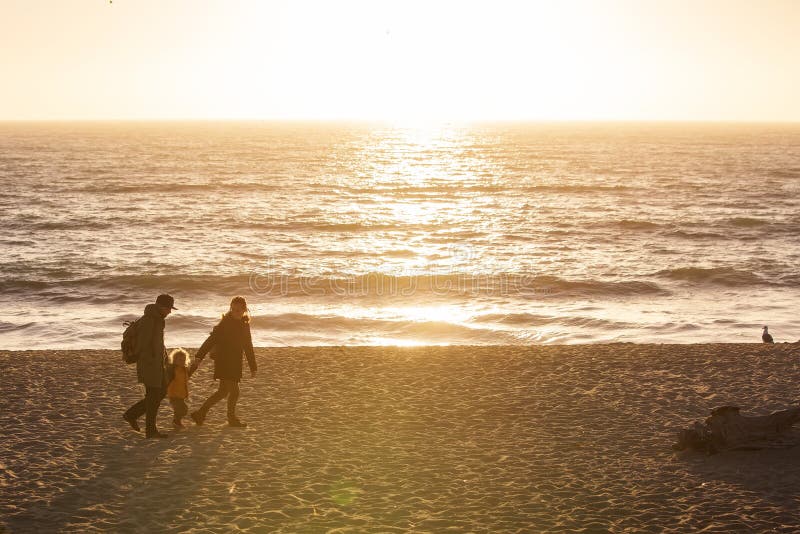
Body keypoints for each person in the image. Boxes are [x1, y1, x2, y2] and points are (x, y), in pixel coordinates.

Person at [191, 296, 257, 428]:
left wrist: (253, 366)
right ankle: (231, 418)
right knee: (234, 392)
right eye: (233, 309)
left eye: (238, 310)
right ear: (230, 309)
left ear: (244, 310)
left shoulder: (245, 325)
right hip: (224, 362)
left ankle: (200, 413)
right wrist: (199, 356)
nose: (235, 312)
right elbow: (211, 341)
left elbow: (248, 346)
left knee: (222, 392)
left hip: (235, 362)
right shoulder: (225, 324)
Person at [123, 294, 177, 438]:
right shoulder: (149, 320)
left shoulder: (157, 320)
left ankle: (132, 414)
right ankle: (151, 431)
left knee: (160, 393)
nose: (170, 312)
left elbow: (158, 343)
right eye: (168, 308)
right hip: (149, 364)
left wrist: (165, 358)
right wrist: (148, 358)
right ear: (161, 307)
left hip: (157, 364)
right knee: (154, 395)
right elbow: (143, 343)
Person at [165, 348, 195, 428]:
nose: (182, 361)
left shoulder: (184, 369)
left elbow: (190, 373)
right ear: (174, 360)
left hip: (181, 394)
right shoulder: (172, 369)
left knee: (181, 409)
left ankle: (176, 421)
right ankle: (176, 421)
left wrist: (195, 365)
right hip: (173, 394)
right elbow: (167, 378)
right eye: (180, 360)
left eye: (183, 360)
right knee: (183, 409)